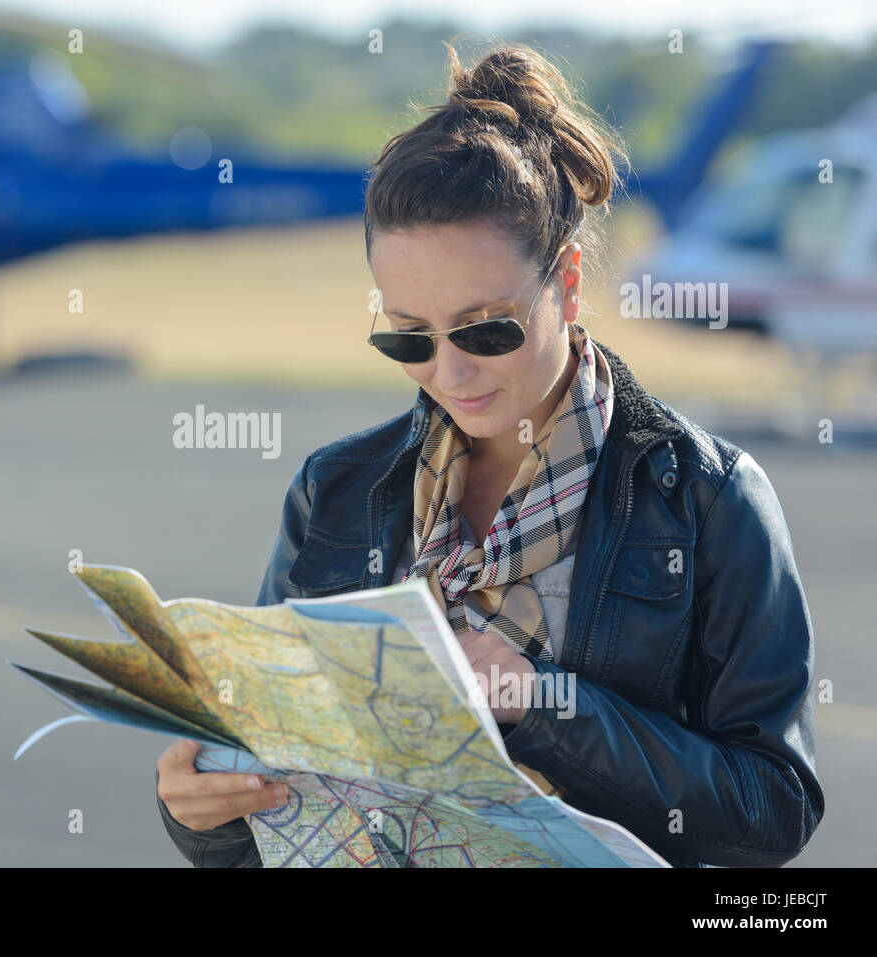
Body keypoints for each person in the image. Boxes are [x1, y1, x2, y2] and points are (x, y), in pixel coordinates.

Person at [154, 42, 823, 868]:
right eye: (409, 335)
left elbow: (772, 808)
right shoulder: (334, 491)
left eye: (486, 328)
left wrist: (543, 704)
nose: (450, 370)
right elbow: (267, 820)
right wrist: (203, 812)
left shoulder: (708, 499)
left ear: (569, 284)